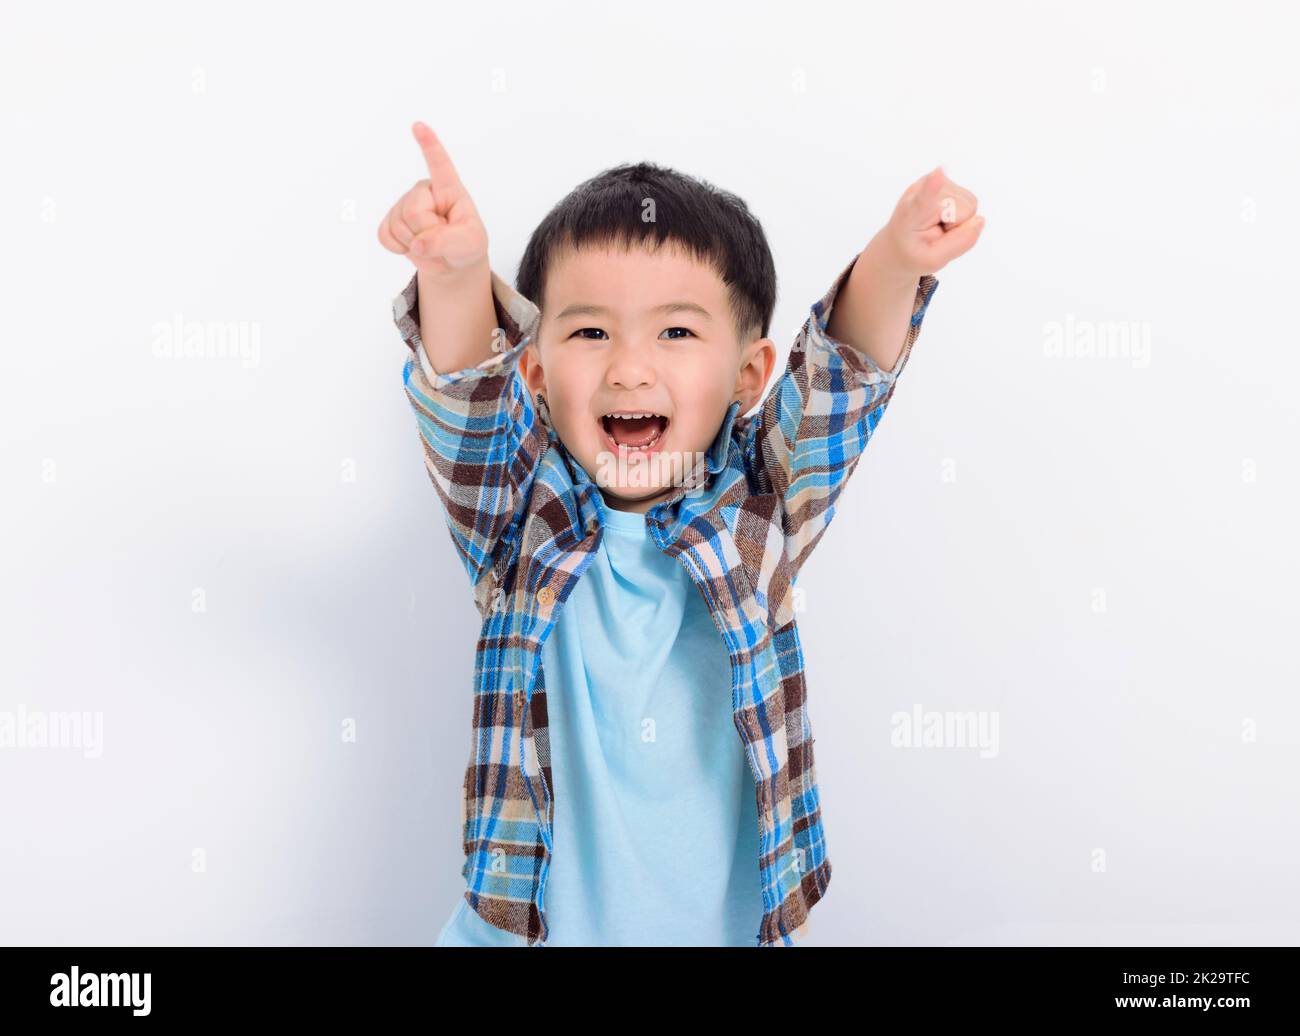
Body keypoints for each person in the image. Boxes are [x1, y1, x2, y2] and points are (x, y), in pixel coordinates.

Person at [378, 122, 984, 946]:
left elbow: (841, 374)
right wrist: (452, 277)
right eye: (590, 332)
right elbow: (469, 409)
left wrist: (895, 257)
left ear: (746, 376)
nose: (630, 367)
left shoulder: (758, 507)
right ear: (537, 372)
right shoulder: (519, 514)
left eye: (676, 331)